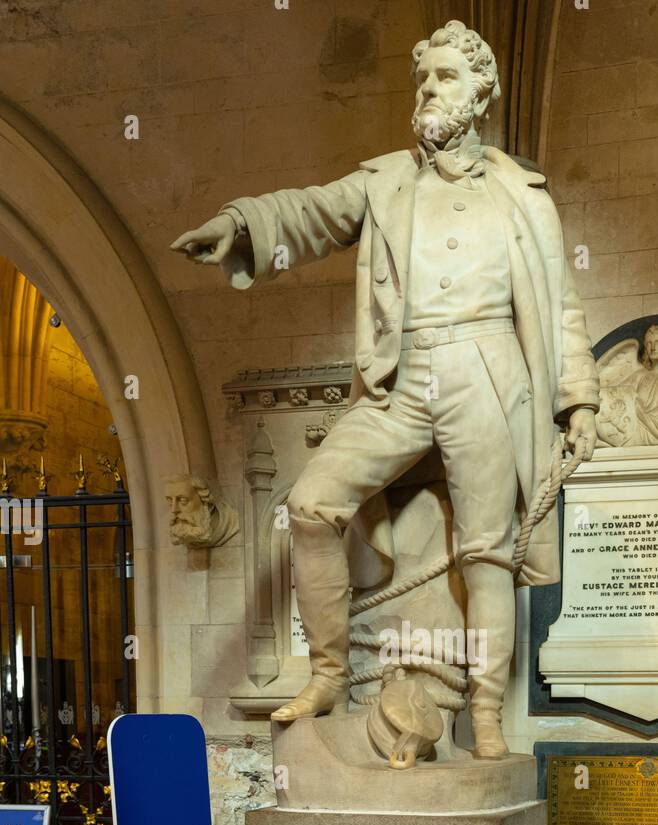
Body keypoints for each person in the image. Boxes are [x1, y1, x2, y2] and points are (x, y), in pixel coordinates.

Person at [172, 18, 599, 758]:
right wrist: (244, 225)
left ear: (482, 95)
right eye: (424, 77)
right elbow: (308, 213)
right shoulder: (385, 181)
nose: (430, 89)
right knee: (310, 503)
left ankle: (488, 713)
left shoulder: (523, 196)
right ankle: (331, 674)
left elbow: (562, 305)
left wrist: (580, 399)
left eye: (446, 77)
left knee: (487, 552)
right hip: (404, 382)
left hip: (488, 374)